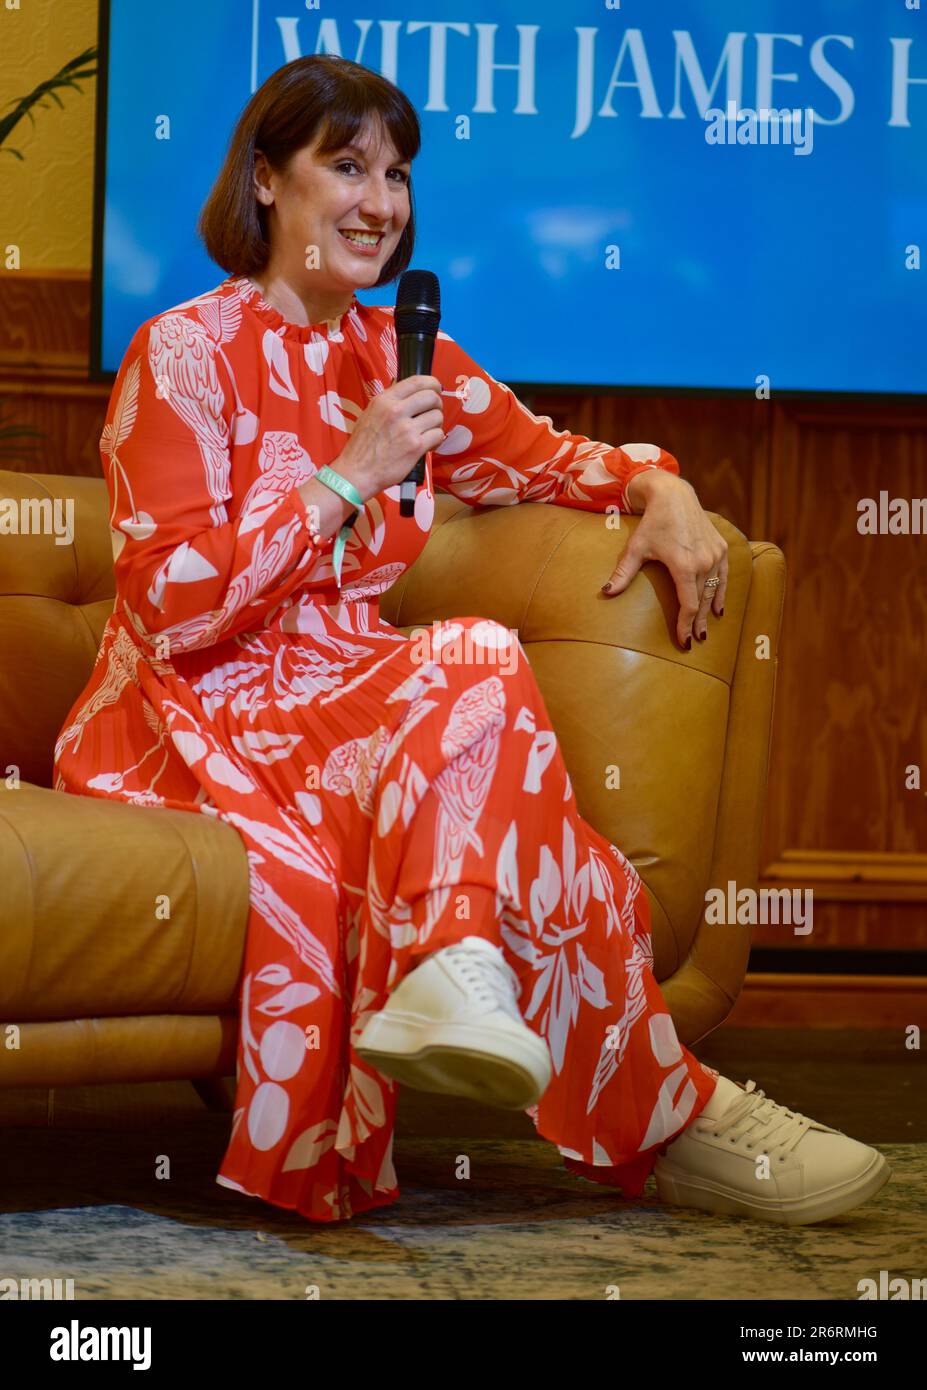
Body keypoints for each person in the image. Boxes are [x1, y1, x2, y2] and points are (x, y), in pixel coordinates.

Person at [54, 55, 890, 1227]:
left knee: (473, 660)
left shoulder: (404, 358)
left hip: (342, 696)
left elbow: (560, 458)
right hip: (191, 708)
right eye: (345, 166)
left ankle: (470, 981)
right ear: (263, 181)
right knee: (476, 661)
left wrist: (668, 491)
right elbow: (169, 606)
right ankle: (671, 1116)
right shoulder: (185, 352)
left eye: (395, 174)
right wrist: (350, 475)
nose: (380, 201)